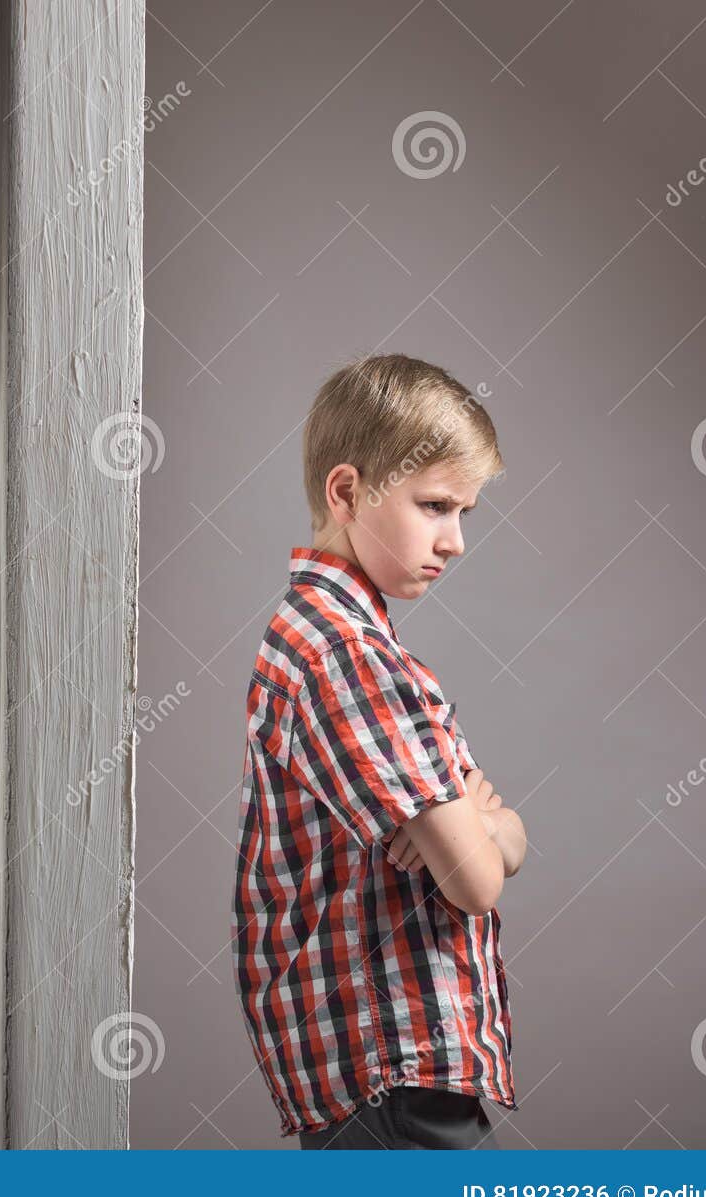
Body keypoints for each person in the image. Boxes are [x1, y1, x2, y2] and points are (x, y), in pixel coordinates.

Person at [231, 354, 528, 1150]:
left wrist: (479, 824)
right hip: (393, 1065)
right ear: (346, 491)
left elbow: (498, 845)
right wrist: (477, 820)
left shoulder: (317, 637)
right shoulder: (349, 657)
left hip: (374, 1075)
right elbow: (474, 880)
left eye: (464, 511)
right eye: (434, 505)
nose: (456, 541)